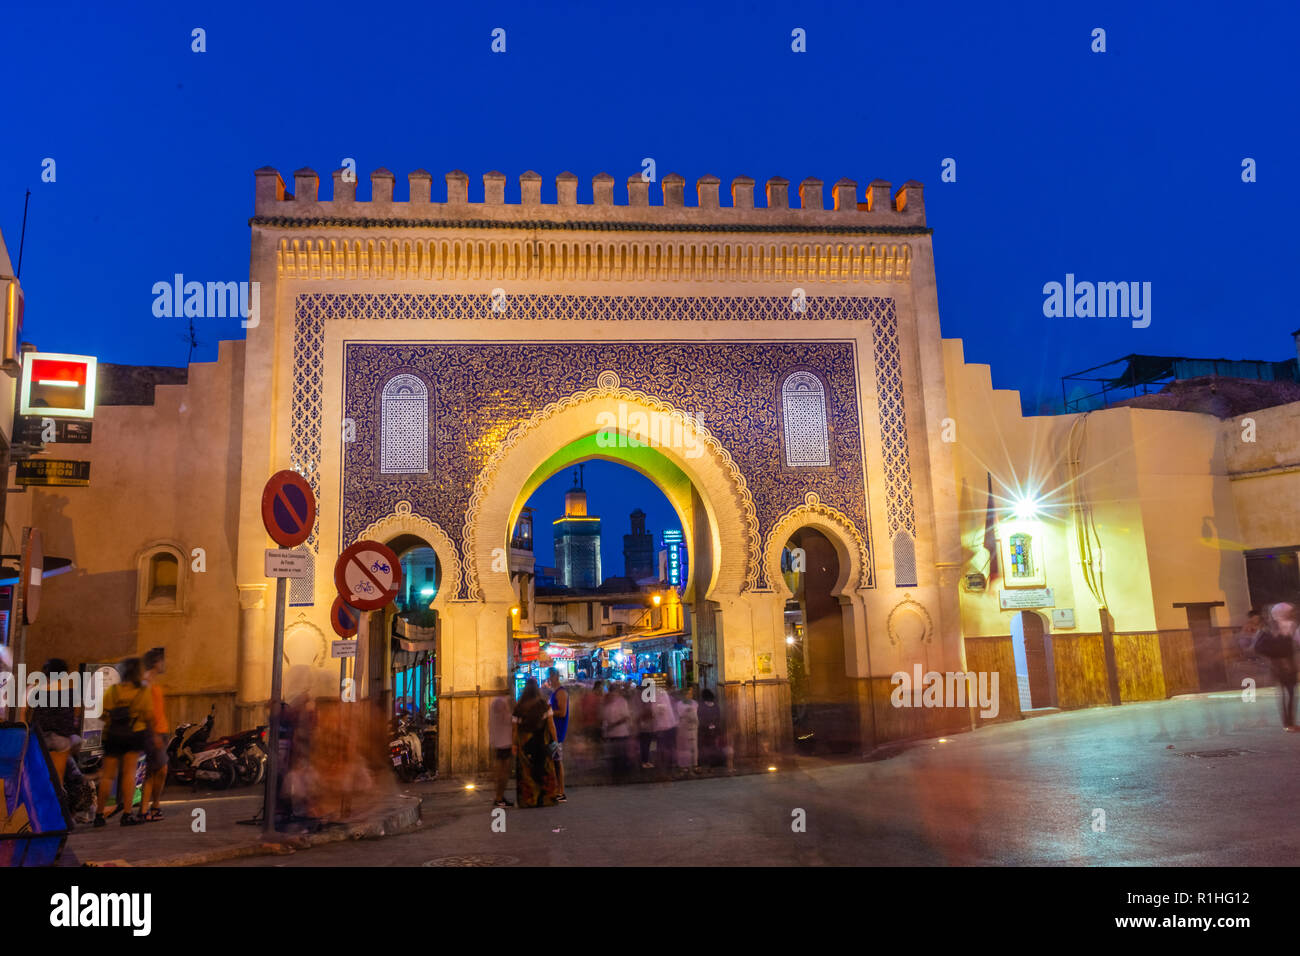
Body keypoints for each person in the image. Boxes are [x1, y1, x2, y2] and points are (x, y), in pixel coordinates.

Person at [95, 657, 154, 826]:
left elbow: (102, 714)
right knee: (129, 774)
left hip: (112, 736)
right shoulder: (142, 692)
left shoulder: (113, 691)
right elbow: (148, 716)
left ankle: (99, 815)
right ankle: (127, 814)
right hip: (134, 735)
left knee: (107, 776)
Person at [25, 658, 82, 790]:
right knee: (58, 776)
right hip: (62, 737)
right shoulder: (72, 691)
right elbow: (76, 713)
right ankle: (57, 806)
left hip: (40, 736)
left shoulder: (36, 689)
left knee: (39, 774)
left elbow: (24, 709)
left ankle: (40, 806)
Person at [512, 678, 560, 808]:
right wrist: (555, 742)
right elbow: (551, 726)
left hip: (525, 745)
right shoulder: (544, 705)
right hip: (541, 742)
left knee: (527, 773)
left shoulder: (519, 707)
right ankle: (546, 799)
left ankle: (529, 800)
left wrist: (514, 745)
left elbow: (515, 729)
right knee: (544, 770)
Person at [140, 648, 169, 822]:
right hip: (154, 732)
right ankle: (152, 807)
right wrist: (154, 734)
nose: (164, 664)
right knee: (160, 770)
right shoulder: (146, 682)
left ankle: (150, 809)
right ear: (156, 662)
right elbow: (145, 710)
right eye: (162, 660)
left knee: (154, 771)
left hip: (161, 730)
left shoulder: (152, 681)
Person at [1264, 603, 1300, 731]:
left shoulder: (1270, 627)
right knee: (1290, 693)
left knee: (1285, 694)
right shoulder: (1290, 625)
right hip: (1287, 664)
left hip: (1276, 665)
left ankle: (1288, 723)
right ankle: (1289, 723)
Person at [546, 667, 570, 802]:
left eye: (550, 676)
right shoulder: (554, 692)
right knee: (554, 761)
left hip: (558, 732)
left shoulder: (561, 693)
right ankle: (556, 790)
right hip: (553, 731)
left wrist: (548, 712)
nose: (548, 679)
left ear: (556, 676)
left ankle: (561, 792)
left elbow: (562, 712)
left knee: (557, 761)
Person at [601, 681, 632, 782]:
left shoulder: (621, 701)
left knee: (621, 756)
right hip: (610, 734)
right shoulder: (606, 702)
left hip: (621, 733)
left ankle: (622, 776)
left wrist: (613, 725)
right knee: (614, 757)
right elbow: (603, 717)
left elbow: (626, 717)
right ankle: (615, 776)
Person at [489, 693, 514, 808]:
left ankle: (499, 796)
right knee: (503, 772)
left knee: (501, 771)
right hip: (504, 742)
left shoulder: (495, 701)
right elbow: (507, 719)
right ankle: (499, 798)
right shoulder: (502, 702)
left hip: (498, 741)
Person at [650, 679, 678, 773]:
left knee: (664, 745)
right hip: (667, 725)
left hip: (665, 726)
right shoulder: (663, 694)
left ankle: (666, 764)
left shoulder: (661, 695)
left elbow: (657, 711)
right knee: (667, 745)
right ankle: (667, 764)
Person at [676, 684, 700, 774]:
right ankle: (684, 766)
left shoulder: (695, 703)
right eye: (687, 694)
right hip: (683, 728)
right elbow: (679, 715)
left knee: (693, 747)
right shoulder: (679, 704)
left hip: (693, 727)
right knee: (684, 748)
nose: (689, 695)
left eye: (690, 693)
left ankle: (694, 764)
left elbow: (696, 714)